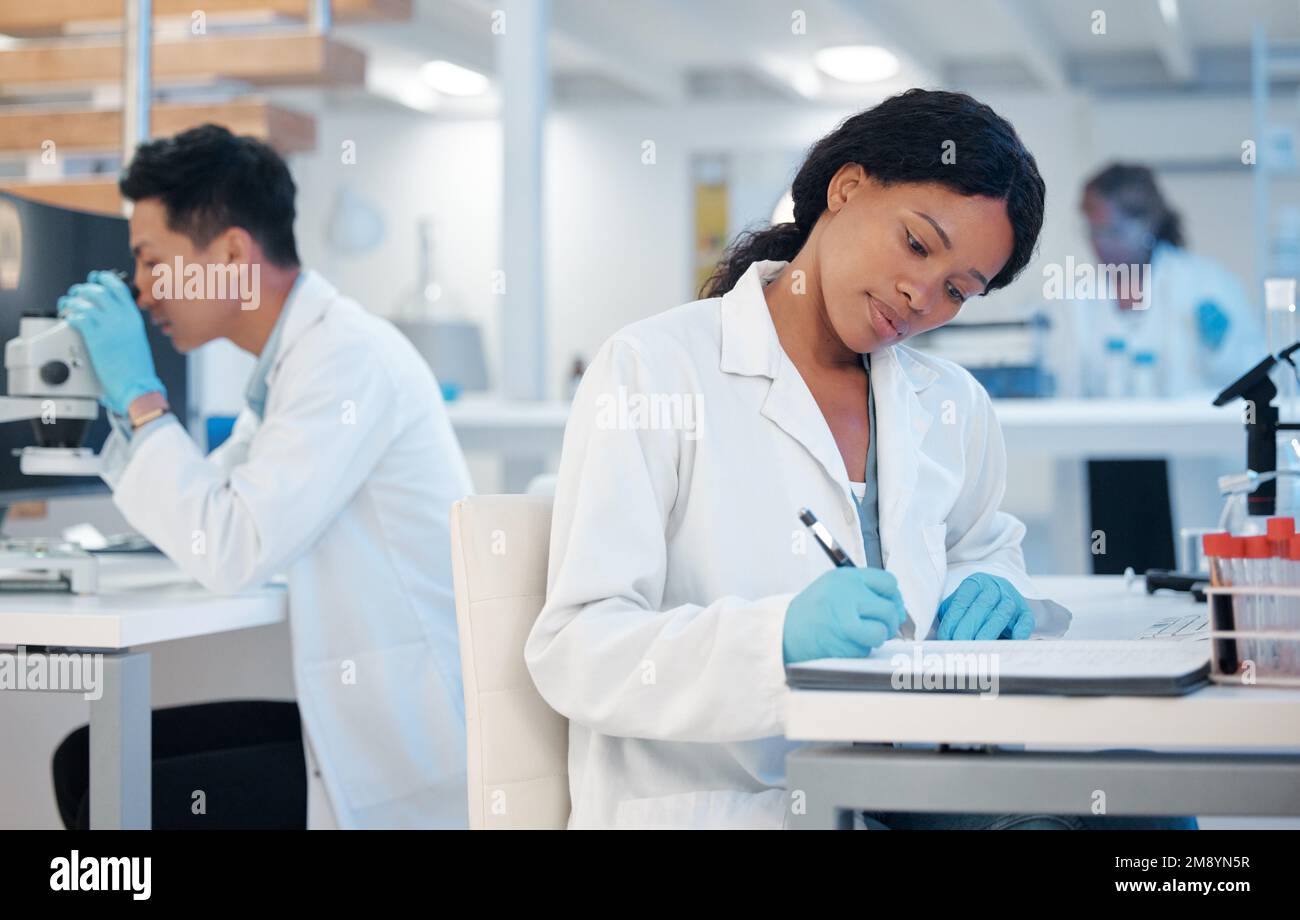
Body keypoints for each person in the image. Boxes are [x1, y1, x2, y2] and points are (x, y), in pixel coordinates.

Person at [526, 90, 1195, 831]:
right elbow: (577, 647)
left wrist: (991, 591)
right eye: (916, 244)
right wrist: (773, 639)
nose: (920, 297)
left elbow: (985, 550)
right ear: (846, 190)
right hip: (744, 803)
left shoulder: (952, 403)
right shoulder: (654, 371)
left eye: (956, 291)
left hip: (916, 783)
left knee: (1154, 814)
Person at [50, 125, 473, 829]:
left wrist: (143, 398)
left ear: (233, 253)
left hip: (413, 747)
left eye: (153, 262)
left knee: (116, 789)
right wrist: (124, 405)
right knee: (87, 759)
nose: (145, 293)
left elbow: (231, 546)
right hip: (357, 713)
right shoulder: (293, 363)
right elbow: (212, 507)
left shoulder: (345, 359)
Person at [1068, 162, 1264, 398]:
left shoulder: (1206, 283)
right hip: (1106, 432)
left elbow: (1254, 373)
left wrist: (1223, 345)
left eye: (1113, 232)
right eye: (1093, 231)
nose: (1100, 244)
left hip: (1190, 430)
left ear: (1148, 225)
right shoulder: (1080, 295)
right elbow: (1067, 383)